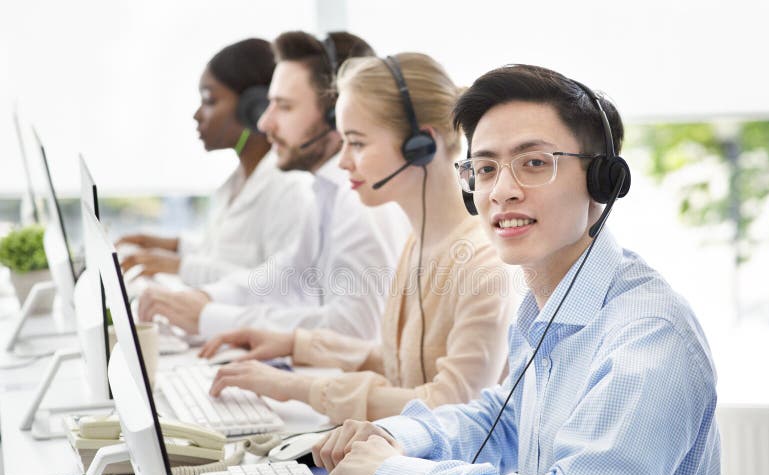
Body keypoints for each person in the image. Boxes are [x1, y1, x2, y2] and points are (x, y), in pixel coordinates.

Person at [313, 64, 721, 475]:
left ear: (601, 182)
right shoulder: (545, 305)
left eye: (534, 163)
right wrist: (397, 436)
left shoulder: (649, 339)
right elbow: (504, 420)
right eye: (485, 169)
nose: (502, 191)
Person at [199, 53, 514, 424]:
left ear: (420, 146)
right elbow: (404, 363)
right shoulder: (421, 242)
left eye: (358, 143)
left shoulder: (483, 265)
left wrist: (298, 389)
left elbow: (451, 404)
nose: (344, 161)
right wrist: (295, 344)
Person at [137, 31, 408, 341]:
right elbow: (286, 276)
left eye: (284, 106)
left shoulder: (361, 200)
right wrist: (206, 299)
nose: (264, 123)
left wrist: (211, 318)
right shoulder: (326, 190)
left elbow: (356, 329)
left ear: (337, 115)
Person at [117, 38, 313, 287]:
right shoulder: (237, 180)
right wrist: (168, 245)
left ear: (254, 107)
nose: (197, 115)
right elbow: (223, 253)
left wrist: (179, 266)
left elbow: (281, 287)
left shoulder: (289, 189)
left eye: (209, 101)